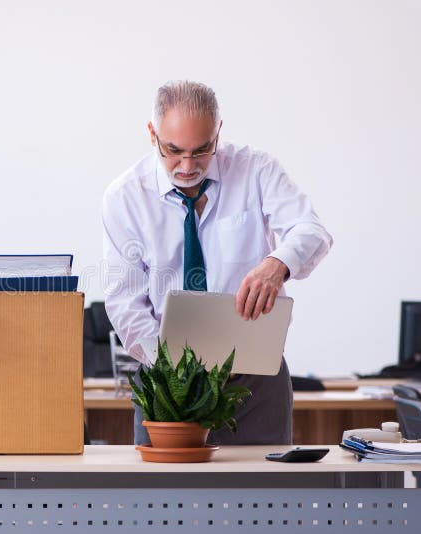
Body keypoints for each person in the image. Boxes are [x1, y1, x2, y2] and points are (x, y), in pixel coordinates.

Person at [102, 80, 332, 445]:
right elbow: (124, 302)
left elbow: (312, 230)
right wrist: (172, 370)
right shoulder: (125, 198)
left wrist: (277, 263)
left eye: (202, 150)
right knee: (161, 500)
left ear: (218, 132)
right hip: (168, 383)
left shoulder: (256, 169)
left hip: (254, 378)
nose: (188, 165)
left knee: (265, 497)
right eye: (173, 150)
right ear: (152, 134)